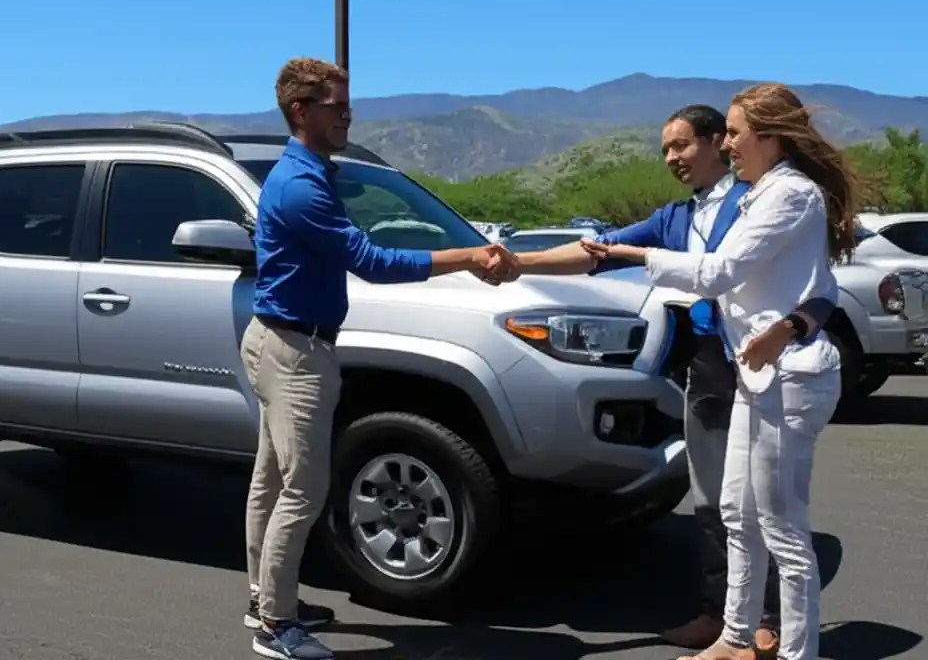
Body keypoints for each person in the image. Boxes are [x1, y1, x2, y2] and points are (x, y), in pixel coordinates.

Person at [510, 104, 837, 658]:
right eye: (665, 150)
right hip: (712, 363)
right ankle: (725, 622)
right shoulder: (677, 217)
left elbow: (812, 288)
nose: (671, 159)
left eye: (682, 146)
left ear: (715, 142)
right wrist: (521, 263)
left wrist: (791, 326)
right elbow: (598, 253)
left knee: (776, 514)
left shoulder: (761, 199)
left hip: (769, 365)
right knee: (722, 502)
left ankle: (771, 628)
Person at [241, 56, 516, 660]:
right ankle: (276, 625)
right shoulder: (300, 186)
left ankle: (266, 598)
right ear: (301, 111)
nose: (348, 115)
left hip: (280, 340)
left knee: (271, 481)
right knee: (303, 491)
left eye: (347, 105)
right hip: (294, 351)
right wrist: (466, 257)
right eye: (336, 106)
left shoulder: (310, 174)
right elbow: (370, 260)